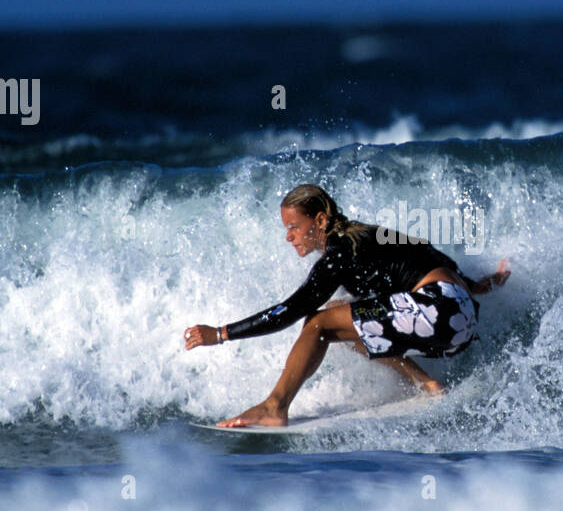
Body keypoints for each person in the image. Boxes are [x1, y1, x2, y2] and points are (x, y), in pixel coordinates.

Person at [184, 183, 511, 427]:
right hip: (459, 316)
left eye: (294, 227)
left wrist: (222, 333)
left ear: (321, 220)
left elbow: (292, 309)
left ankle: (275, 406)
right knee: (339, 316)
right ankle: (428, 383)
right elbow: (425, 250)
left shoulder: (340, 253)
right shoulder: (368, 234)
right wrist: (478, 285)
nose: (289, 237)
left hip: (436, 311)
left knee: (318, 323)